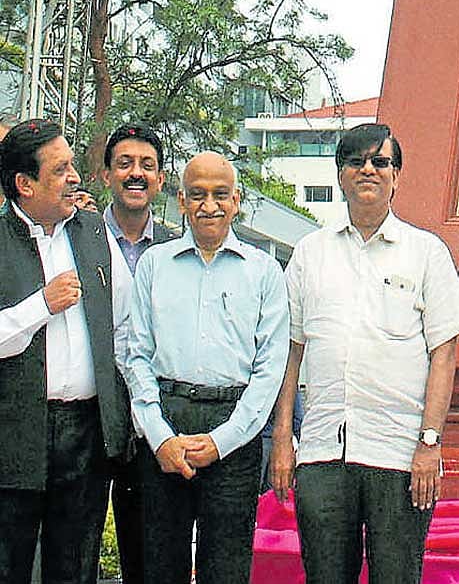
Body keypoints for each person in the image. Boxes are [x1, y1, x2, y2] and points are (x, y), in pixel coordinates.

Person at [270, 123, 459, 584]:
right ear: (340, 174)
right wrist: (283, 438)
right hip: (321, 453)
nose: (368, 171)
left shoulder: (426, 253)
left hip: (398, 456)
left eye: (381, 162)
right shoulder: (309, 253)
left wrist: (430, 443)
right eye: (357, 161)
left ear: (396, 175)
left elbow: (444, 354)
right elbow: (291, 351)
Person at [125, 151, 289, 584]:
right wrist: (159, 436)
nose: (209, 205)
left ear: (236, 201)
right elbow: (135, 354)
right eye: (197, 194)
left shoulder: (264, 272)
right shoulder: (153, 265)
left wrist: (223, 440)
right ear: (181, 200)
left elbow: (269, 369)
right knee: (160, 565)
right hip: (166, 422)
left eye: (220, 194)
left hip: (234, 430)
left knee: (227, 568)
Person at [0, 119, 131, 584]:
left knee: (75, 568)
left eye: (72, 164)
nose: (76, 176)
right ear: (25, 184)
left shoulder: (94, 233)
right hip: (14, 434)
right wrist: (40, 305)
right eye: (61, 169)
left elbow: (125, 322)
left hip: (84, 434)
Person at [100, 123, 173, 584]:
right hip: (88, 412)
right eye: (124, 164)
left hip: (151, 418)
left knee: (146, 546)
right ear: (106, 173)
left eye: (147, 166)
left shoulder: (176, 249)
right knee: (74, 537)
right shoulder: (79, 237)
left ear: (162, 179)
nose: (136, 174)